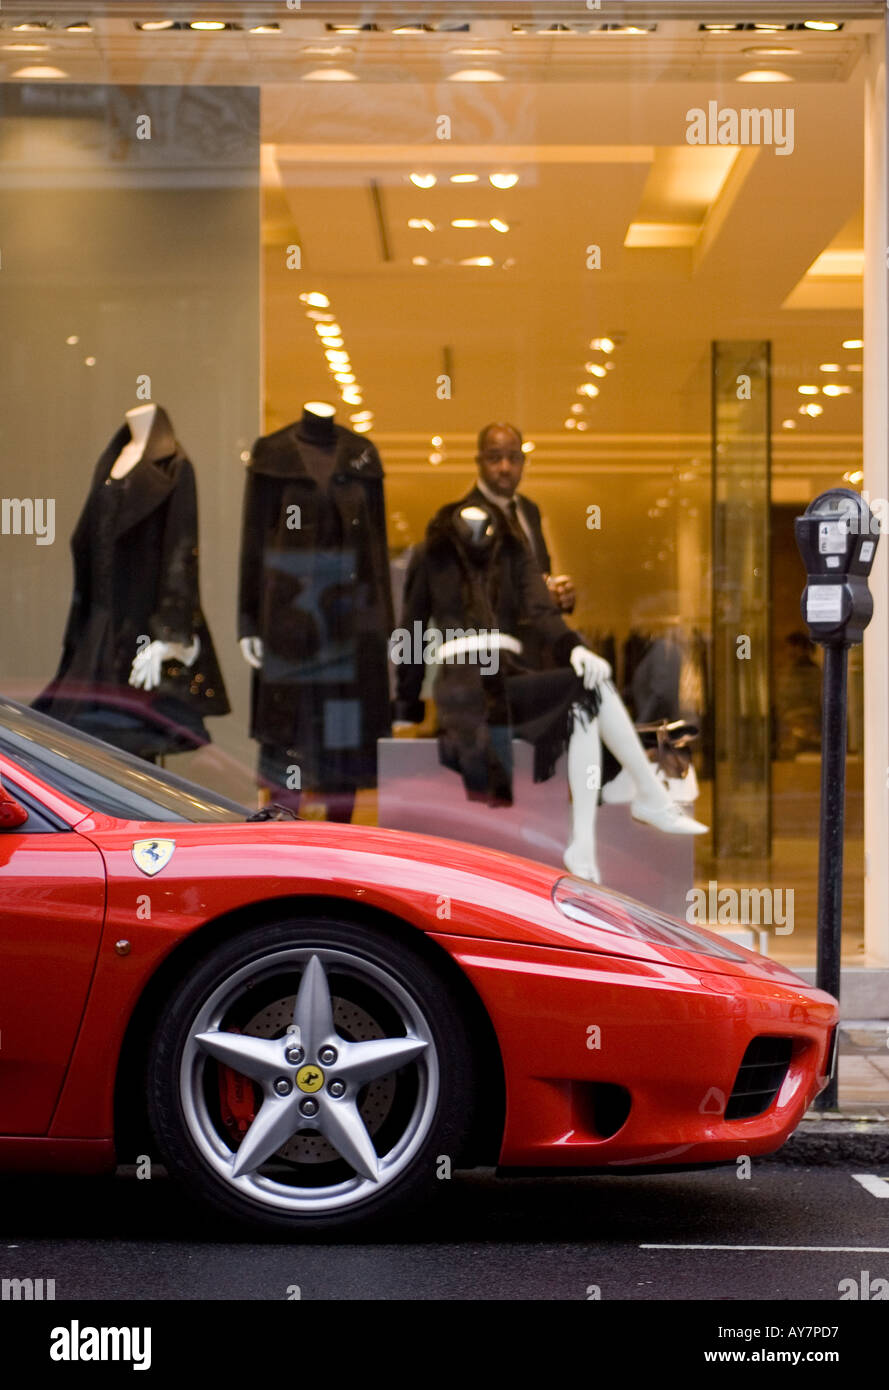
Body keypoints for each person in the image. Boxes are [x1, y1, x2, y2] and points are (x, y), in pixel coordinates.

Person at [394, 497, 706, 884]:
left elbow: (543, 612)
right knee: (585, 699)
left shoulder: (512, 550)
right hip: (462, 684)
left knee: (584, 701)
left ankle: (588, 840)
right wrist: (406, 706)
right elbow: (411, 627)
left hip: (508, 674)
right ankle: (638, 801)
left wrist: (574, 648)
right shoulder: (431, 554)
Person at [462, 421, 576, 613]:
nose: (505, 467)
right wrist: (536, 596)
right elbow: (473, 590)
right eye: (495, 458)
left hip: (538, 634)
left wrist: (558, 593)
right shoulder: (466, 515)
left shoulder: (529, 510)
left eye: (513, 458)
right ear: (479, 461)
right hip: (493, 636)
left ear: (523, 461)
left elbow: (540, 571)